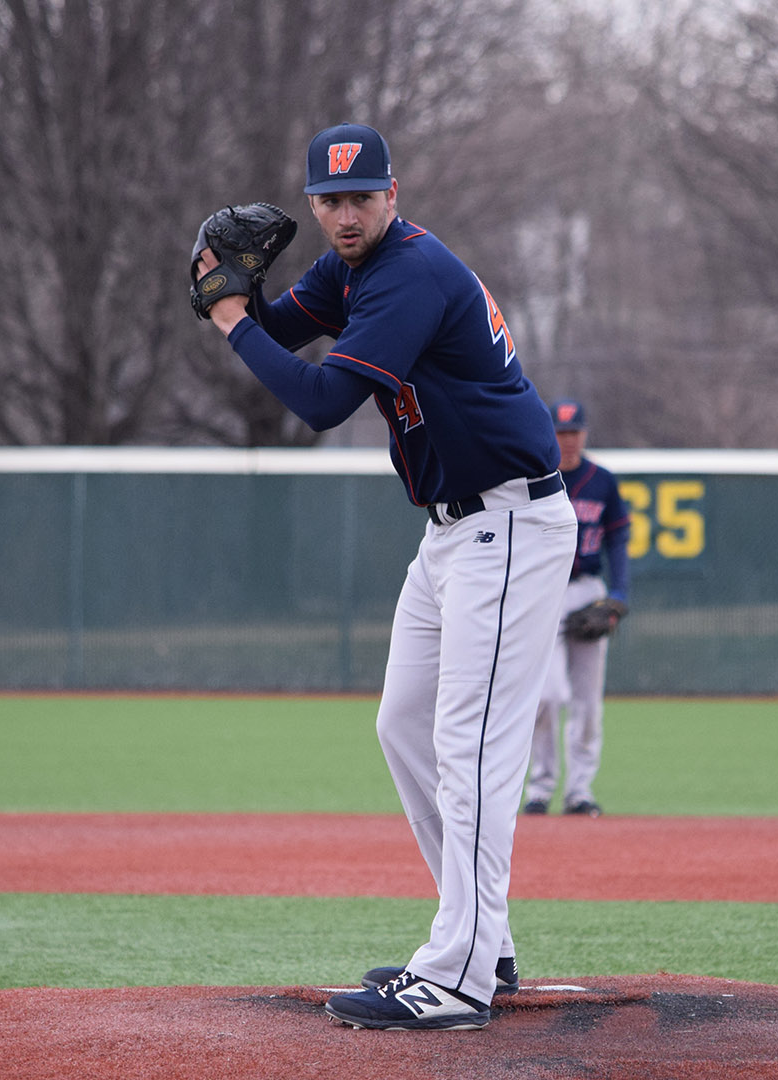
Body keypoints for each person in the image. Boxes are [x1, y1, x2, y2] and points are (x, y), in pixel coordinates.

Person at [192, 122, 576, 1031]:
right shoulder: (349, 270)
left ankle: (459, 974)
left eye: (361, 196)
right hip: (452, 531)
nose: (344, 214)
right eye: (329, 200)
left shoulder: (410, 273)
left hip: (509, 523)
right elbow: (277, 333)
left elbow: (324, 400)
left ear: (392, 195)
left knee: (468, 748)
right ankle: (481, 936)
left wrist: (230, 316)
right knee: (402, 725)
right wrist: (233, 296)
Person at [524, 399, 631, 817]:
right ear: (549, 434)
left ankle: (579, 791)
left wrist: (618, 593)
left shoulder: (602, 481)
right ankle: (539, 788)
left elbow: (617, 540)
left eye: (574, 432)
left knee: (587, 701)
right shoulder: (532, 477)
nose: (568, 440)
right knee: (547, 695)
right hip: (542, 591)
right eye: (561, 432)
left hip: (587, 589)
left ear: (584, 434)